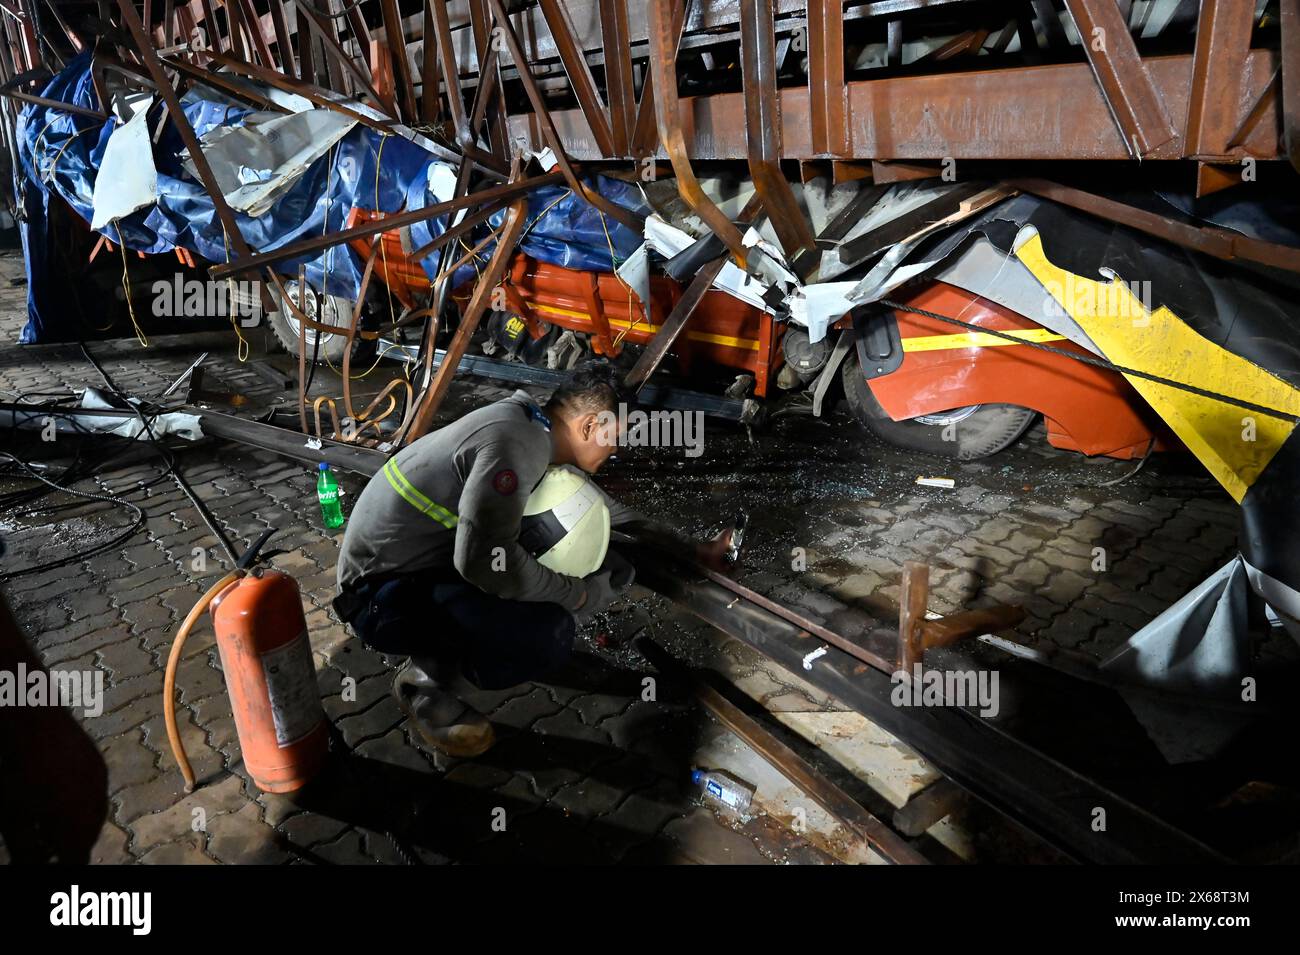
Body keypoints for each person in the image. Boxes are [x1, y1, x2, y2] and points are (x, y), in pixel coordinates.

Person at [333, 361, 731, 757]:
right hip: (378, 597)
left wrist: (692, 549)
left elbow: (607, 514)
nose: (616, 448)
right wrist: (576, 596)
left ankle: (454, 643)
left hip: (417, 568)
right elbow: (485, 562)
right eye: (615, 436)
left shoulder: (532, 427)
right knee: (546, 632)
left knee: (592, 555)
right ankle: (426, 682)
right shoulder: (515, 444)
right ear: (590, 426)